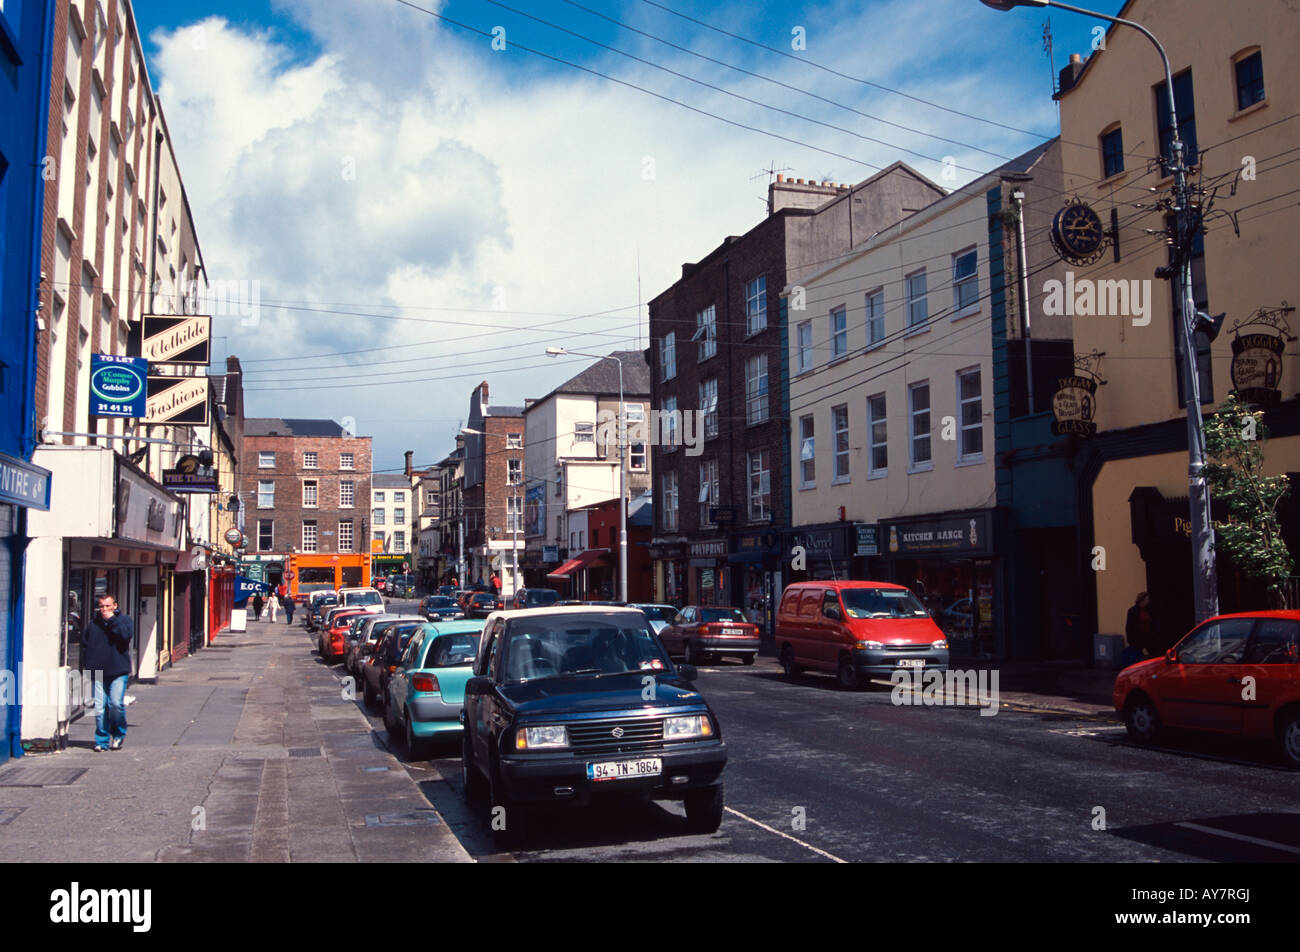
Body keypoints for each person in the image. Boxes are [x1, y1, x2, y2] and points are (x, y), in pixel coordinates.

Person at [81, 594, 133, 751]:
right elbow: (85, 646)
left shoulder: (124, 621)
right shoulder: (93, 625)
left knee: (115, 704)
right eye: (101, 606)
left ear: (115, 606)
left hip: (118, 670)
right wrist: (87, 666)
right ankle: (102, 740)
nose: (104, 609)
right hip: (98, 671)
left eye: (107, 605)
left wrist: (112, 620)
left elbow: (125, 636)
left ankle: (118, 735)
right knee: (99, 707)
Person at [1125, 592, 1155, 657]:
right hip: (1138, 639)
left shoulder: (1149, 610)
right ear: (1142, 600)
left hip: (1148, 637)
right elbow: (1129, 627)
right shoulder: (1133, 611)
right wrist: (1131, 641)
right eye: (1147, 599)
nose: (1148, 601)